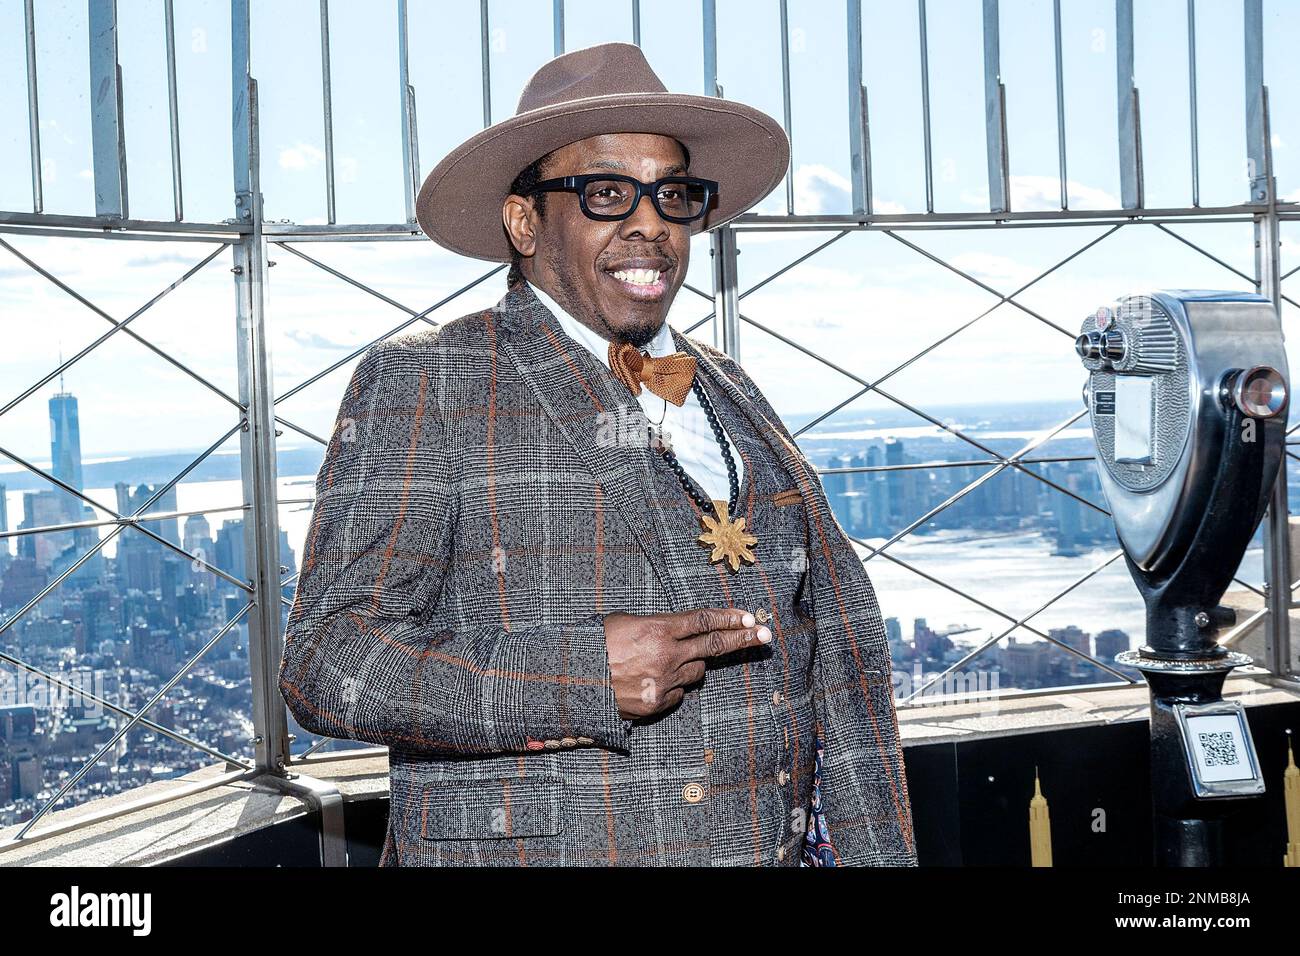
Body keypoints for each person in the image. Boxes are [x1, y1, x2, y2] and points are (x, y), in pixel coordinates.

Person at [279, 41, 916, 867]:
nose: (651, 224)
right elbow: (327, 661)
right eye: (607, 192)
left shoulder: (730, 386)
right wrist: (580, 677)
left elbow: (836, 655)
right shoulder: (428, 378)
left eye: (673, 194)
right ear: (524, 222)